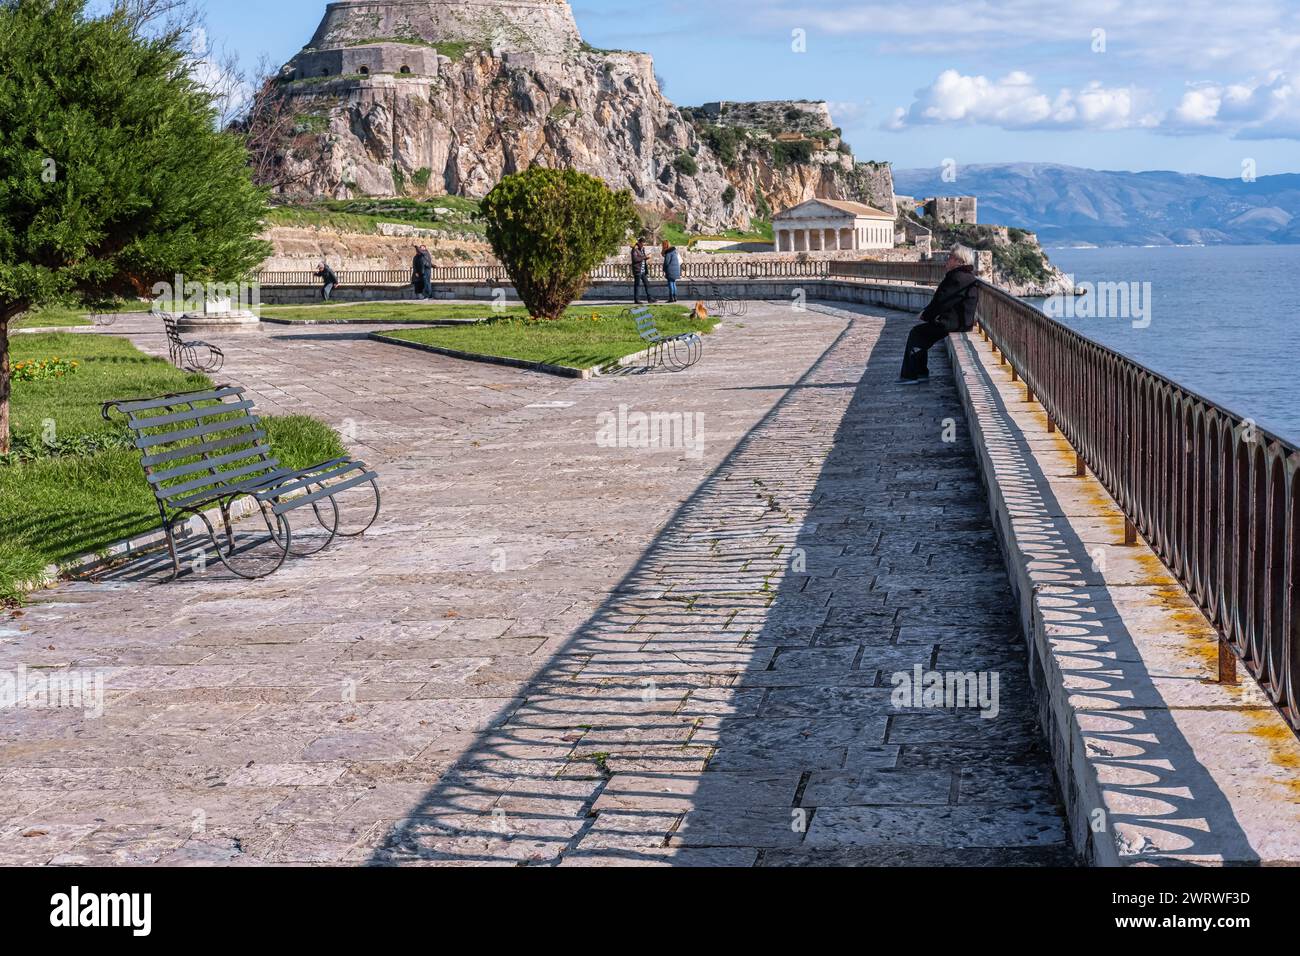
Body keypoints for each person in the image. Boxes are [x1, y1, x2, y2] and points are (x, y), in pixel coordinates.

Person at [899, 246, 980, 384]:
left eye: (950, 257)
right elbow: (942, 300)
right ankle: (920, 372)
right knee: (920, 335)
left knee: (917, 333)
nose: (947, 260)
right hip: (960, 321)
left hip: (954, 323)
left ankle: (912, 375)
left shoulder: (956, 278)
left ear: (959, 261)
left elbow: (941, 301)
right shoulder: (965, 277)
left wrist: (925, 315)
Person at [631, 238, 655, 304]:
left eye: (644, 244)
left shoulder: (642, 249)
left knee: (647, 284)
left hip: (643, 270)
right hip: (637, 270)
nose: (643, 245)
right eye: (642, 244)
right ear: (639, 243)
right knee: (637, 285)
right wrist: (645, 257)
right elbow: (635, 259)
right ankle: (636, 300)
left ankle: (650, 298)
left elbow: (641, 259)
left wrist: (646, 258)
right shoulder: (634, 250)